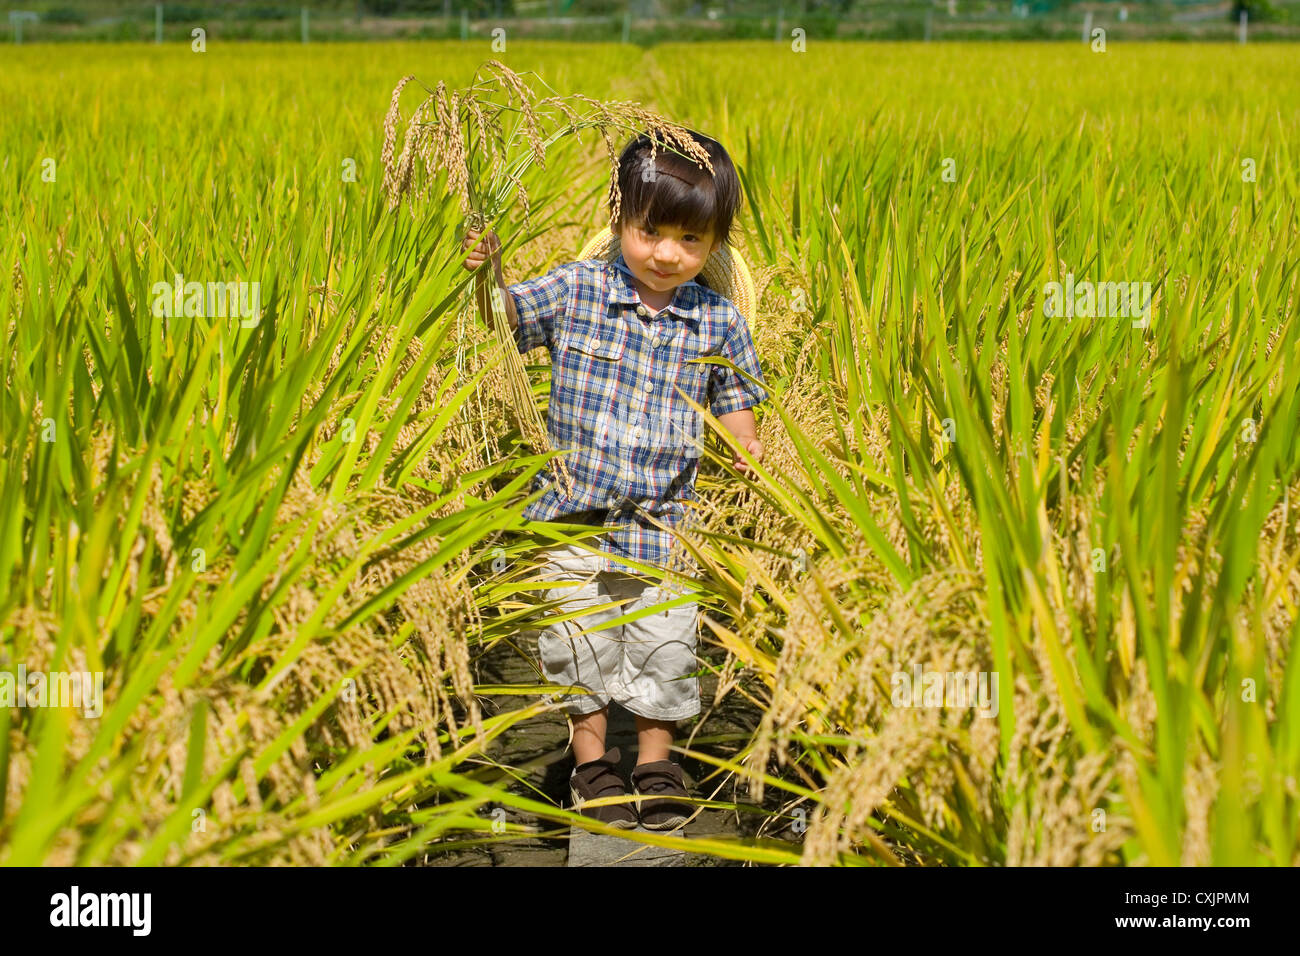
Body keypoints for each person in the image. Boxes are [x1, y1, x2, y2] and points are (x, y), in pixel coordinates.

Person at [461, 129, 768, 831]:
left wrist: (748, 448)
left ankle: (657, 762)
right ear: (618, 219)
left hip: (664, 526)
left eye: (690, 240)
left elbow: (735, 405)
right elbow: (502, 316)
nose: (666, 253)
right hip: (573, 519)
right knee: (580, 646)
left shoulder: (716, 323)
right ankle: (591, 763)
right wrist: (488, 273)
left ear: (716, 242)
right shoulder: (577, 291)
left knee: (665, 647)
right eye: (650, 230)